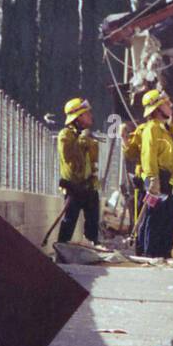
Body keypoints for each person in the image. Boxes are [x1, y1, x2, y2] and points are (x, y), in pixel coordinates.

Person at [138, 88, 173, 259]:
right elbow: (148, 155)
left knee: (168, 218)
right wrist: (153, 179)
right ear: (158, 108)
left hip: (169, 180)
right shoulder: (151, 129)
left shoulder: (170, 130)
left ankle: (165, 252)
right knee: (155, 218)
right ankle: (150, 253)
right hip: (157, 178)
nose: (171, 105)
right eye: (167, 103)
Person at [57, 97, 100, 245]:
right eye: (86, 113)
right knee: (68, 222)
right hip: (74, 188)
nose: (90, 116)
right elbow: (71, 159)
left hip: (89, 187)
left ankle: (92, 249)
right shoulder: (65, 135)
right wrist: (83, 140)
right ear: (78, 117)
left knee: (93, 225)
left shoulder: (88, 137)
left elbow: (93, 162)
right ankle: (61, 252)